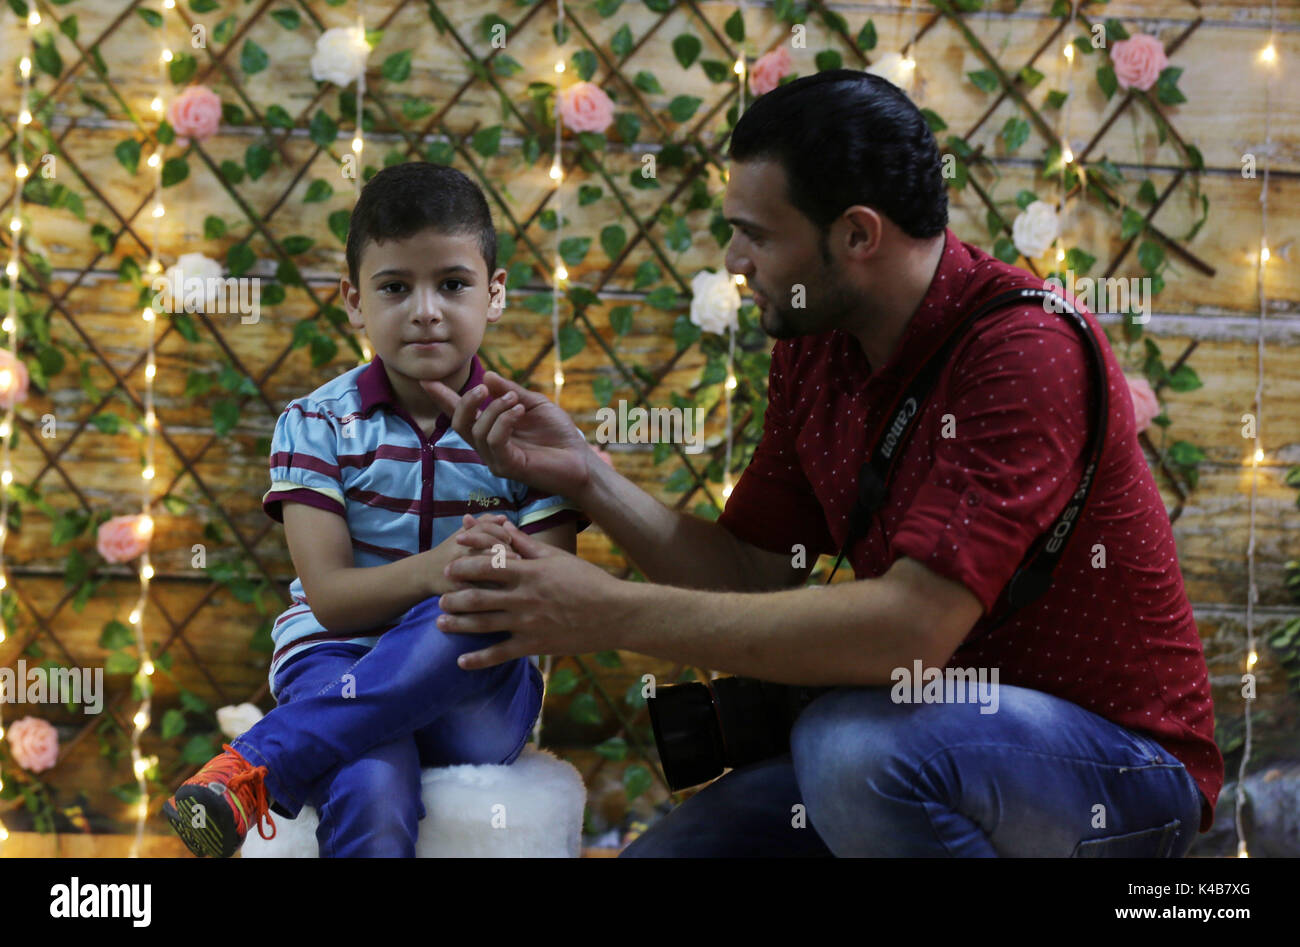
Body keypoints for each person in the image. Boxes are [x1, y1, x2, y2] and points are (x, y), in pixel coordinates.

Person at [426, 70, 1224, 857]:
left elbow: (907, 634)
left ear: (857, 235)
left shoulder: (1025, 353)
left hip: (1116, 768)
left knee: (851, 748)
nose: (736, 259)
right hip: (907, 743)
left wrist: (605, 610)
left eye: (758, 234)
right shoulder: (816, 345)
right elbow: (747, 572)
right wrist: (587, 476)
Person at [162, 162, 583, 858]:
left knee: (474, 605)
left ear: (495, 293)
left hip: (472, 696)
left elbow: (552, 597)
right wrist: (442, 567)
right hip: (335, 658)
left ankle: (258, 763)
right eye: (395, 287)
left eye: (452, 284)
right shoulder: (316, 423)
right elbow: (330, 599)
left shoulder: (530, 433)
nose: (425, 309)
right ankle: (317, 745)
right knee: (369, 779)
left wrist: (470, 579)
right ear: (354, 302)